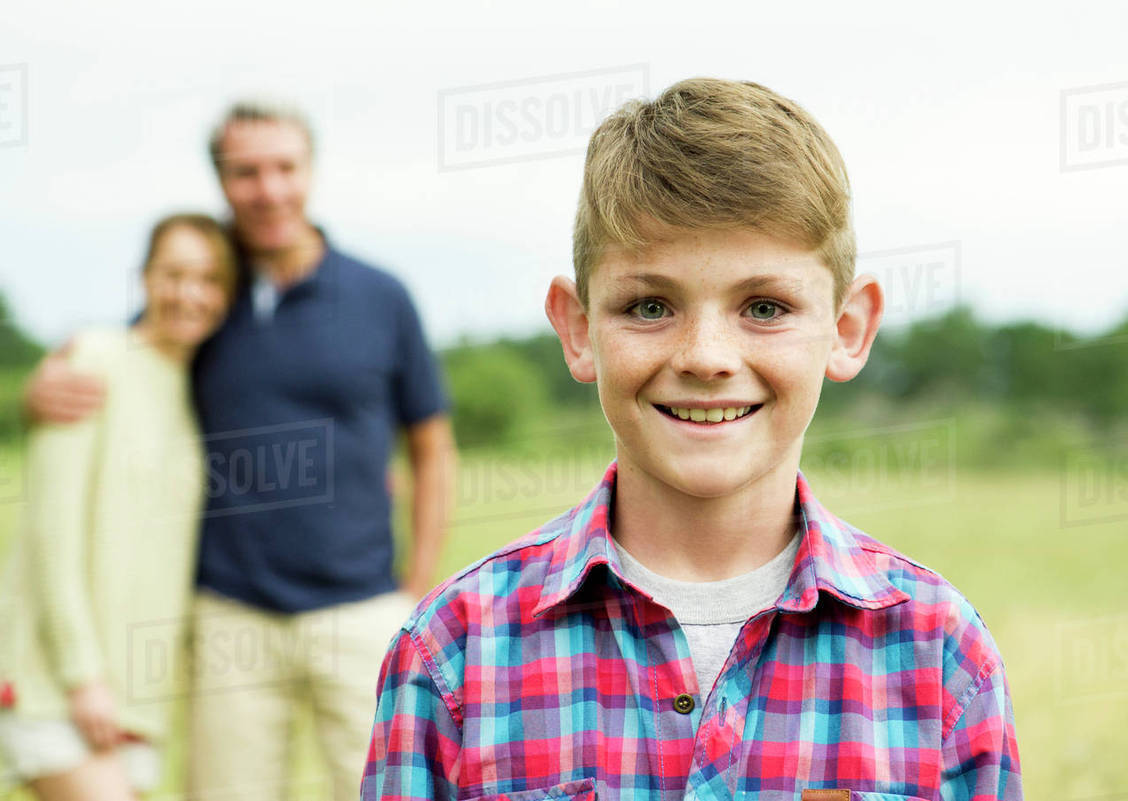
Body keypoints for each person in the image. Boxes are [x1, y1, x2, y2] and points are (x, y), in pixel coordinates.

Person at [363, 78, 1022, 800]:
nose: (706, 355)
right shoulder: (454, 652)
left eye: (764, 307)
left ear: (848, 327)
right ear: (579, 329)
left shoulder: (940, 653)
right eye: (650, 305)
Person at [23, 101, 457, 801]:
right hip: (230, 613)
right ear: (221, 182)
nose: (269, 189)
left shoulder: (381, 296)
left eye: (285, 167)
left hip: (362, 607)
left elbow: (432, 447)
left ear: (310, 170)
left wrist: (417, 587)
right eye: (246, 172)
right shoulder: (201, 300)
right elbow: (117, 364)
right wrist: (41, 383)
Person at [0, 214, 238, 800]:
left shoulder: (190, 386)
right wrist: (82, 678)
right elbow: (54, 533)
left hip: (133, 701)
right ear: (144, 277)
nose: (188, 293)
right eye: (172, 273)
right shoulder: (93, 359)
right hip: (57, 686)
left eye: (208, 278)